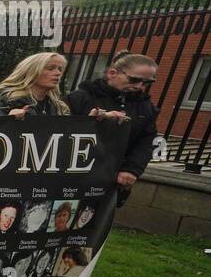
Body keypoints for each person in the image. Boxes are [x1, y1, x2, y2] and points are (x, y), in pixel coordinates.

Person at [65, 53, 160, 204]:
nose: (139, 87)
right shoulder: (82, 97)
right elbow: (62, 131)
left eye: (147, 83)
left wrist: (131, 169)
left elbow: (147, 140)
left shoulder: (145, 107)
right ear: (112, 73)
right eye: (134, 80)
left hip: (112, 178)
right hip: (74, 174)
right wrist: (91, 121)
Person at [0, 52, 69, 117]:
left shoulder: (58, 106)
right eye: (50, 68)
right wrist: (8, 117)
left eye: (60, 69)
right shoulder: (9, 98)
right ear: (32, 71)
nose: (58, 73)